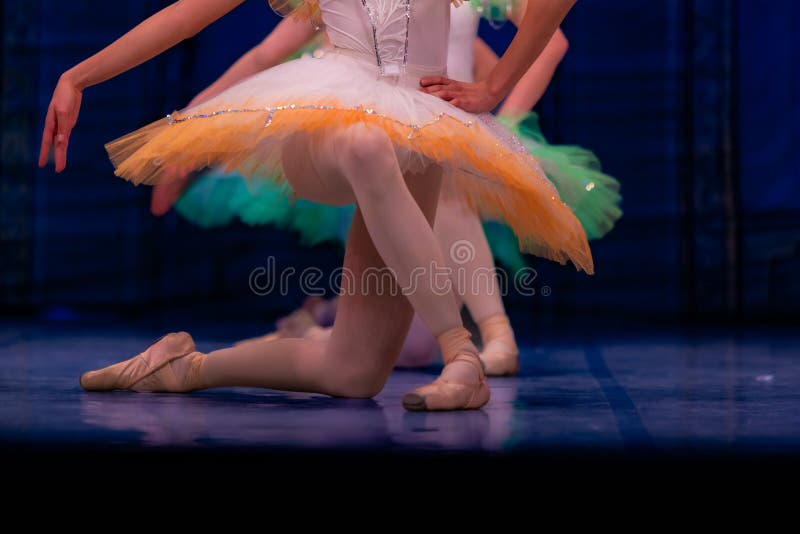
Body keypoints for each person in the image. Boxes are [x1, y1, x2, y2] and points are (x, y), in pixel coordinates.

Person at [39, 0, 587, 411]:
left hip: (421, 125)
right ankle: (463, 355)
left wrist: (495, 84)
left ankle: (183, 367)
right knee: (363, 142)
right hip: (331, 114)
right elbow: (189, 14)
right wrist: (76, 76)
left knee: (354, 372)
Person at [154, 1, 621, 373]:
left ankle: (486, 334)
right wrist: (192, 121)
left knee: (411, 331)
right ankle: (322, 324)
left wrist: (505, 116)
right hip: (373, 127)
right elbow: (262, 52)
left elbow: (534, 42)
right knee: (387, 340)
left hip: (443, 121)